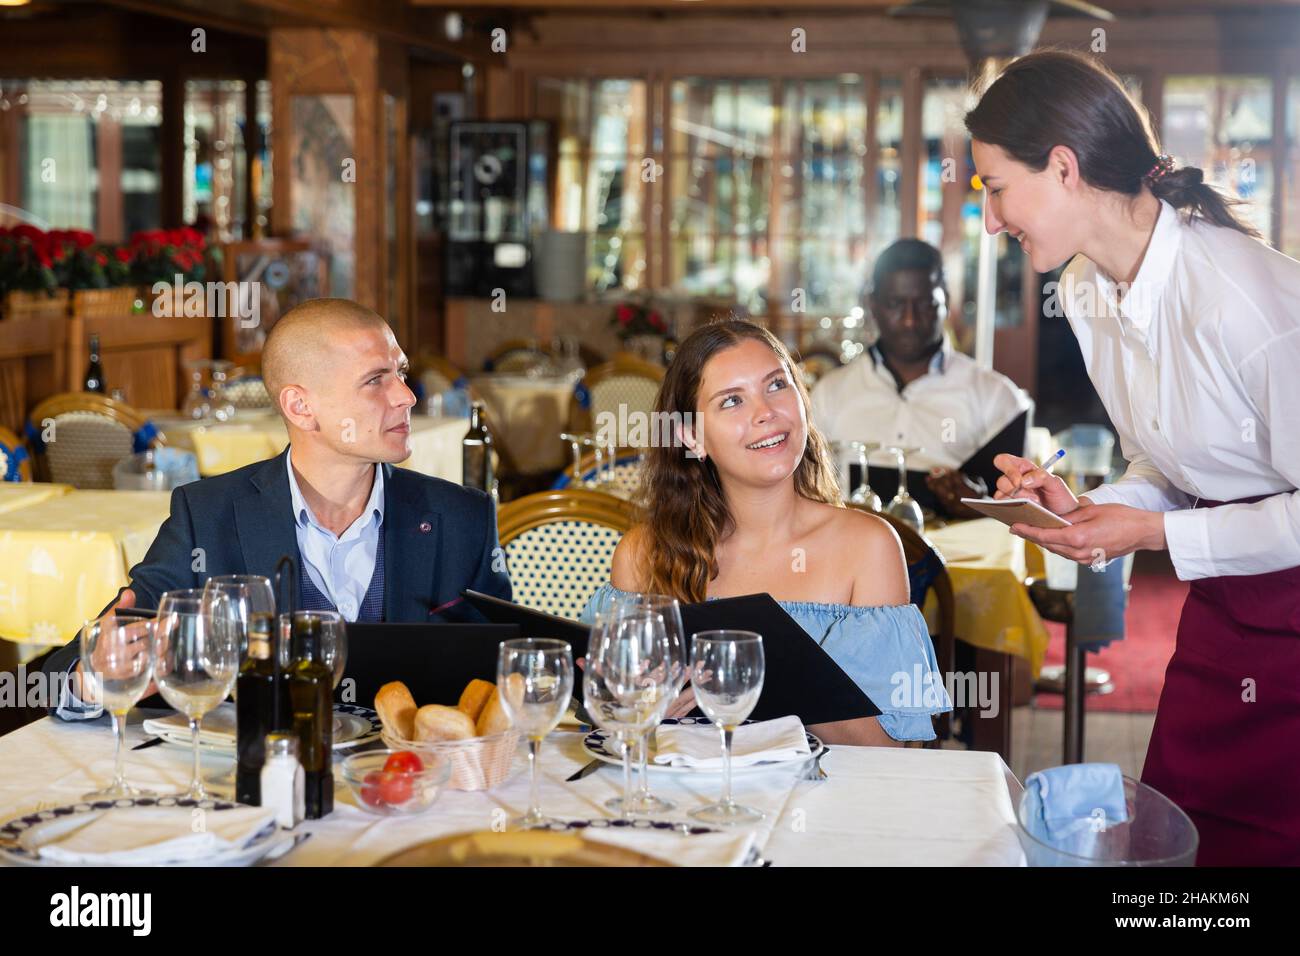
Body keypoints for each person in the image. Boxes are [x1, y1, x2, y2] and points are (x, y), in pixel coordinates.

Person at [968, 50, 1300, 865]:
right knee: (1181, 839)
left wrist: (1150, 539)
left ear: (1064, 167)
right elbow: (1162, 464)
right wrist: (1088, 506)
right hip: (1225, 611)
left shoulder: (1245, 298)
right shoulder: (1085, 291)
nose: (991, 221)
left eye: (995, 189)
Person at [44, 298, 511, 720]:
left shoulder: (462, 517)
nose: (407, 396)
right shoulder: (207, 515)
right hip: (253, 787)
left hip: (416, 793)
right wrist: (95, 676)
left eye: (401, 373)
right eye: (375, 380)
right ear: (301, 406)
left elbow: (502, 673)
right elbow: (71, 667)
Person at [588, 319, 950, 747]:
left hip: (821, 803)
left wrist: (771, 671)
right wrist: (634, 713)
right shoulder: (642, 554)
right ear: (691, 436)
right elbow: (610, 732)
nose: (765, 413)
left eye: (777, 385)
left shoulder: (868, 547)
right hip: (683, 802)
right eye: (731, 401)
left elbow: (890, 752)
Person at [811, 239, 1032, 518]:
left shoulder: (996, 397)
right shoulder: (829, 394)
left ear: (946, 303)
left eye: (924, 304)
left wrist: (980, 505)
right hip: (852, 551)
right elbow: (808, 494)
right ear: (873, 305)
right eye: (896, 304)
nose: (909, 320)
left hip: (960, 557)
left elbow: (1020, 514)